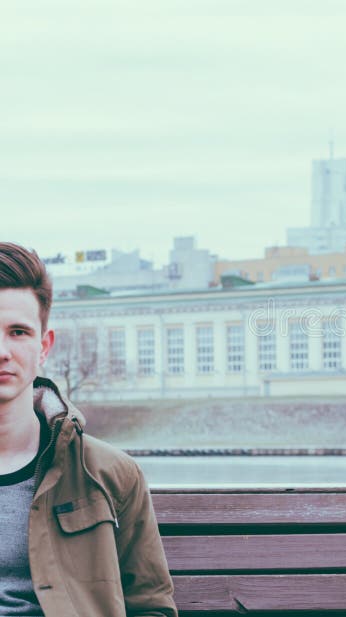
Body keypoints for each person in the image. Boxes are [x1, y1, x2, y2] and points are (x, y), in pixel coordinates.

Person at [0, 242, 177, 617]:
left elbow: (151, 607)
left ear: (43, 346)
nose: (2, 350)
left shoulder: (110, 475)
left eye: (18, 332)